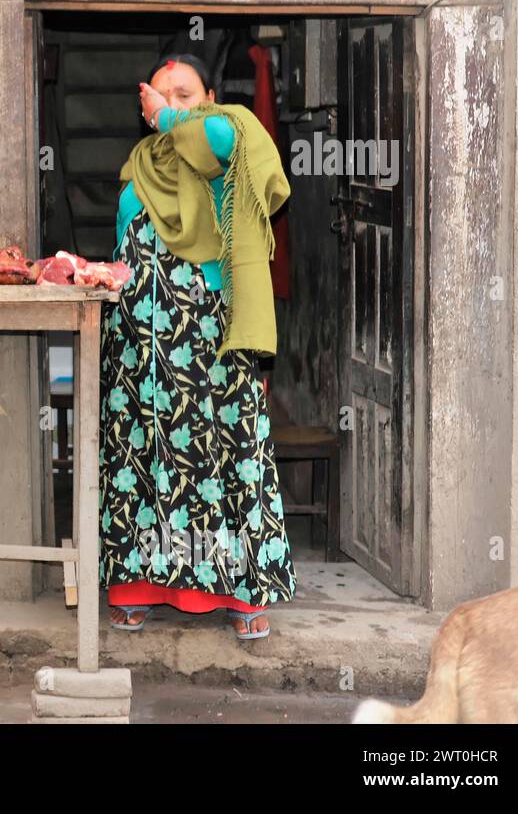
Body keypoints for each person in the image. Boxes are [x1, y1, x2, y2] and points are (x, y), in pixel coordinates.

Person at [100, 54, 295, 640]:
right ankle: (139, 586)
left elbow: (203, 135)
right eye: (160, 96)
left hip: (211, 348)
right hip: (140, 349)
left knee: (221, 462)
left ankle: (239, 593)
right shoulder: (138, 171)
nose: (173, 104)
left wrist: (168, 119)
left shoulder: (227, 134)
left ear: (209, 94)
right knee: (144, 462)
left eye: (184, 94)